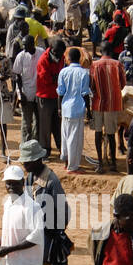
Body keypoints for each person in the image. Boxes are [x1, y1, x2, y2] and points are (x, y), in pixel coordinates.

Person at [90, 41, 125, 173]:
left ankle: (100, 162)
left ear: (100, 51)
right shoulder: (118, 64)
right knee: (111, 134)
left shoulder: (94, 65)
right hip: (112, 104)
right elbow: (122, 84)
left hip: (98, 104)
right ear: (111, 51)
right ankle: (113, 163)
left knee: (98, 134)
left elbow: (91, 86)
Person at [57, 46, 92, 174]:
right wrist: (89, 110)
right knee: (74, 139)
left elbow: (60, 92)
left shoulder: (63, 72)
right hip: (77, 109)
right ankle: (73, 167)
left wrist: (59, 108)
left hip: (65, 108)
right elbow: (85, 94)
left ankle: (66, 163)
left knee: (65, 137)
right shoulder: (84, 73)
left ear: (69, 58)